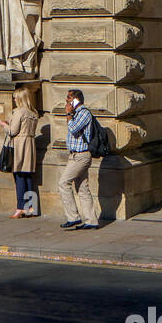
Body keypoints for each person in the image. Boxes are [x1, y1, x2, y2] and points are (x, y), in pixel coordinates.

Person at [58, 88, 99, 230]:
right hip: (74, 155)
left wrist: (69, 113)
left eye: (69, 98)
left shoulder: (84, 113)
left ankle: (73, 217)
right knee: (82, 188)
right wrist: (70, 114)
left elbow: (74, 129)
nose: (66, 100)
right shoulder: (76, 114)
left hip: (81, 156)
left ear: (76, 100)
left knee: (63, 183)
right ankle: (91, 221)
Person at [0, 87, 39, 217]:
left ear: (20, 98)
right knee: (28, 177)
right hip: (30, 145)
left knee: (19, 175)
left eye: (15, 97)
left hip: (20, 145)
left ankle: (20, 207)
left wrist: (4, 125)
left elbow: (13, 131)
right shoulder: (33, 113)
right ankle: (31, 207)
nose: (14, 99)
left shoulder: (19, 112)